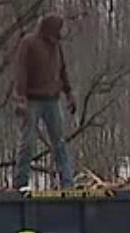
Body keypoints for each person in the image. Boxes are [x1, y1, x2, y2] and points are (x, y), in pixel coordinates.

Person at [11, 12, 79, 189]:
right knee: (28, 142)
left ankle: (67, 182)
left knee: (59, 143)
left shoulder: (56, 45)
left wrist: (69, 93)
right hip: (32, 100)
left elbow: (62, 71)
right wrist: (20, 99)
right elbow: (21, 73)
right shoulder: (29, 43)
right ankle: (20, 183)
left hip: (52, 100)